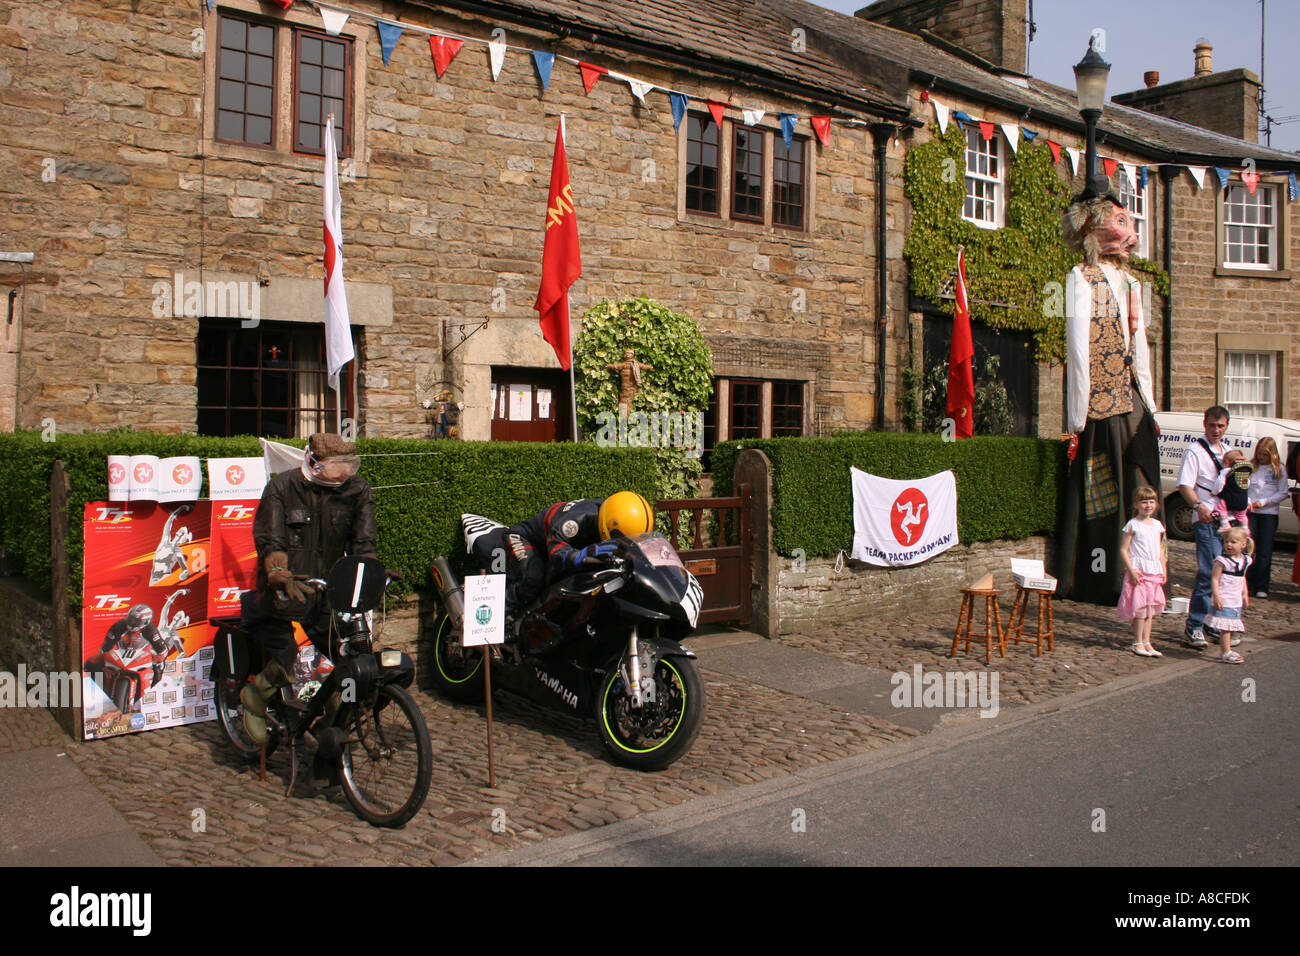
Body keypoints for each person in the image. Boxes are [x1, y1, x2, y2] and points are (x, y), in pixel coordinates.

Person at [1057, 190, 1162, 605]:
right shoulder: (1079, 277)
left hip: (1132, 402)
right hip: (1100, 407)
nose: (1129, 232)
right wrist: (1076, 421)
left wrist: (1150, 404)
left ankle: (1147, 578)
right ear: (1092, 229)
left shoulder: (1134, 282)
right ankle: (1104, 581)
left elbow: (1142, 347)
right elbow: (1078, 352)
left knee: (1142, 486)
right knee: (1102, 495)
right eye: (1118, 221)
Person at [240, 434, 377, 745]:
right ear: (314, 463)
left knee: (346, 658)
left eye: (350, 465)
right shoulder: (282, 487)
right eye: (337, 465)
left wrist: (371, 570)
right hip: (285, 587)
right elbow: (269, 540)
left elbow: (364, 541)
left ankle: (329, 722)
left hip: (327, 587)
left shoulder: (357, 489)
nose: (345, 472)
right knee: (285, 655)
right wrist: (277, 572)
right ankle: (255, 696)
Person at [473, 491, 655, 621]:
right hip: (528, 539)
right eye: (619, 538)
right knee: (532, 577)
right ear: (609, 526)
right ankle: (498, 618)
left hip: (557, 545)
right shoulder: (578, 519)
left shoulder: (616, 516)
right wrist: (580, 556)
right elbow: (556, 548)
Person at [1177, 406, 1244, 649]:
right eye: (1212, 425)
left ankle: (1212, 622)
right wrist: (1198, 507)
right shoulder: (1195, 451)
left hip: (1228, 520)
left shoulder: (1229, 451)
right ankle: (1194, 625)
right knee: (1208, 572)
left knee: (1225, 572)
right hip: (1206, 519)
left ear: (1227, 426)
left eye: (1221, 426)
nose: (1216, 430)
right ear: (1204, 424)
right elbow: (1185, 485)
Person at [1117, 486, 1167, 657]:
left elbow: (1160, 548)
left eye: (1151, 502)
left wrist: (1163, 568)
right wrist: (1131, 570)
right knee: (1140, 609)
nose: (1148, 505)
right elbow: (1124, 549)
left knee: (1150, 610)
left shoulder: (1157, 525)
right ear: (1137, 504)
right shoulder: (1133, 525)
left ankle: (1147, 641)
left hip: (1154, 570)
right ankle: (1137, 641)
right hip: (1139, 570)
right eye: (1144, 502)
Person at [1245, 436, 1288, 597]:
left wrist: (1263, 502)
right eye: (1260, 454)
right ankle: (1246, 582)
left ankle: (1261, 586)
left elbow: (1282, 492)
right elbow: (1244, 487)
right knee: (1249, 548)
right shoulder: (1251, 466)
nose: (1262, 458)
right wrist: (1249, 502)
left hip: (1268, 514)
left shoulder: (1279, 469)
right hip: (1251, 513)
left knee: (1264, 551)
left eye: (1265, 455)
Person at [1207, 526, 1252, 665]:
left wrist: (1245, 593)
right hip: (1225, 596)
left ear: (1243, 544)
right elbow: (1215, 579)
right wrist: (1217, 596)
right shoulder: (1222, 561)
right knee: (1226, 626)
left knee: (1231, 625)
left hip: (1235, 598)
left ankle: (1227, 649)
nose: (1229, 545)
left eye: (1233, 542)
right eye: (1227, 542)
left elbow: (1242, 578)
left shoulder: (1245, 561)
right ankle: (1226, 651)